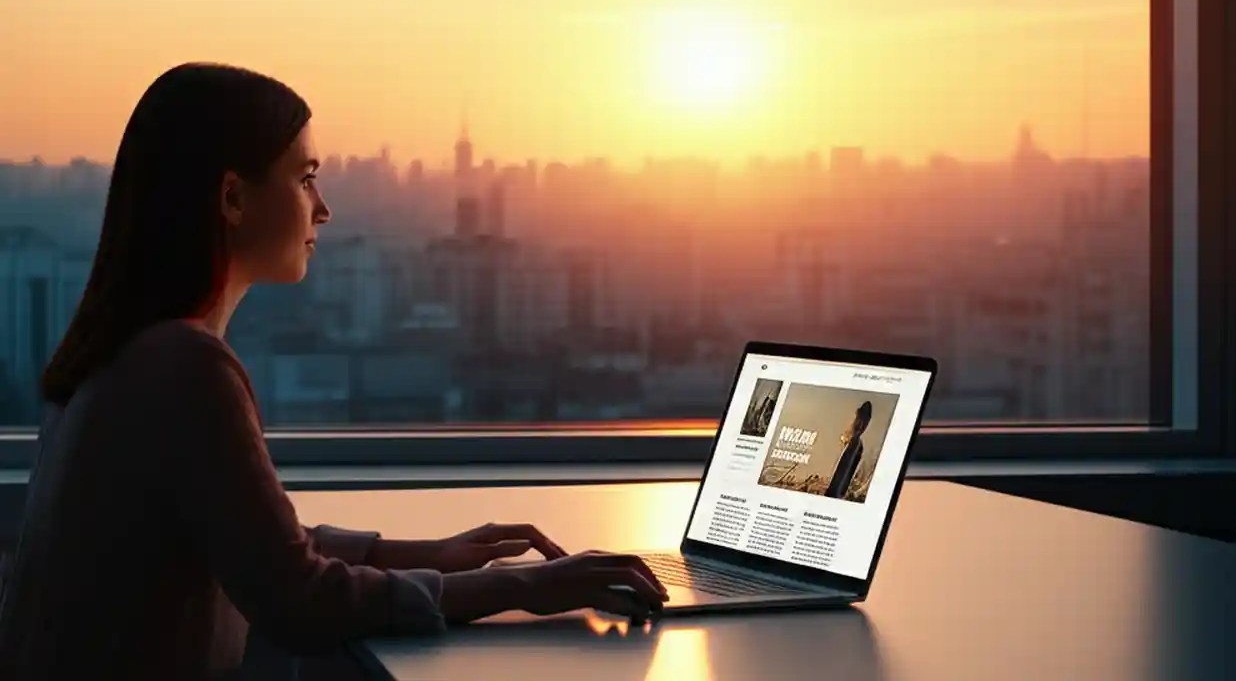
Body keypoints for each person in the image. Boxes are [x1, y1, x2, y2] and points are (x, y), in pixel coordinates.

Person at [0, 63, 666, 680]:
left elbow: (260, 546)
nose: (324, 209)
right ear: (232, 198)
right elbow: (297, 597)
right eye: (306, 176)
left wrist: (435, 551)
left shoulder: (118, 352)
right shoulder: (183, 368)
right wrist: (529, 586)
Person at [824, 401, 873, 499]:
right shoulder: (850, 440)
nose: (861, 426)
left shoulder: (857, 444)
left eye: (865, 423)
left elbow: (847, 473)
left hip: (836, 494)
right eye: (859, 421)